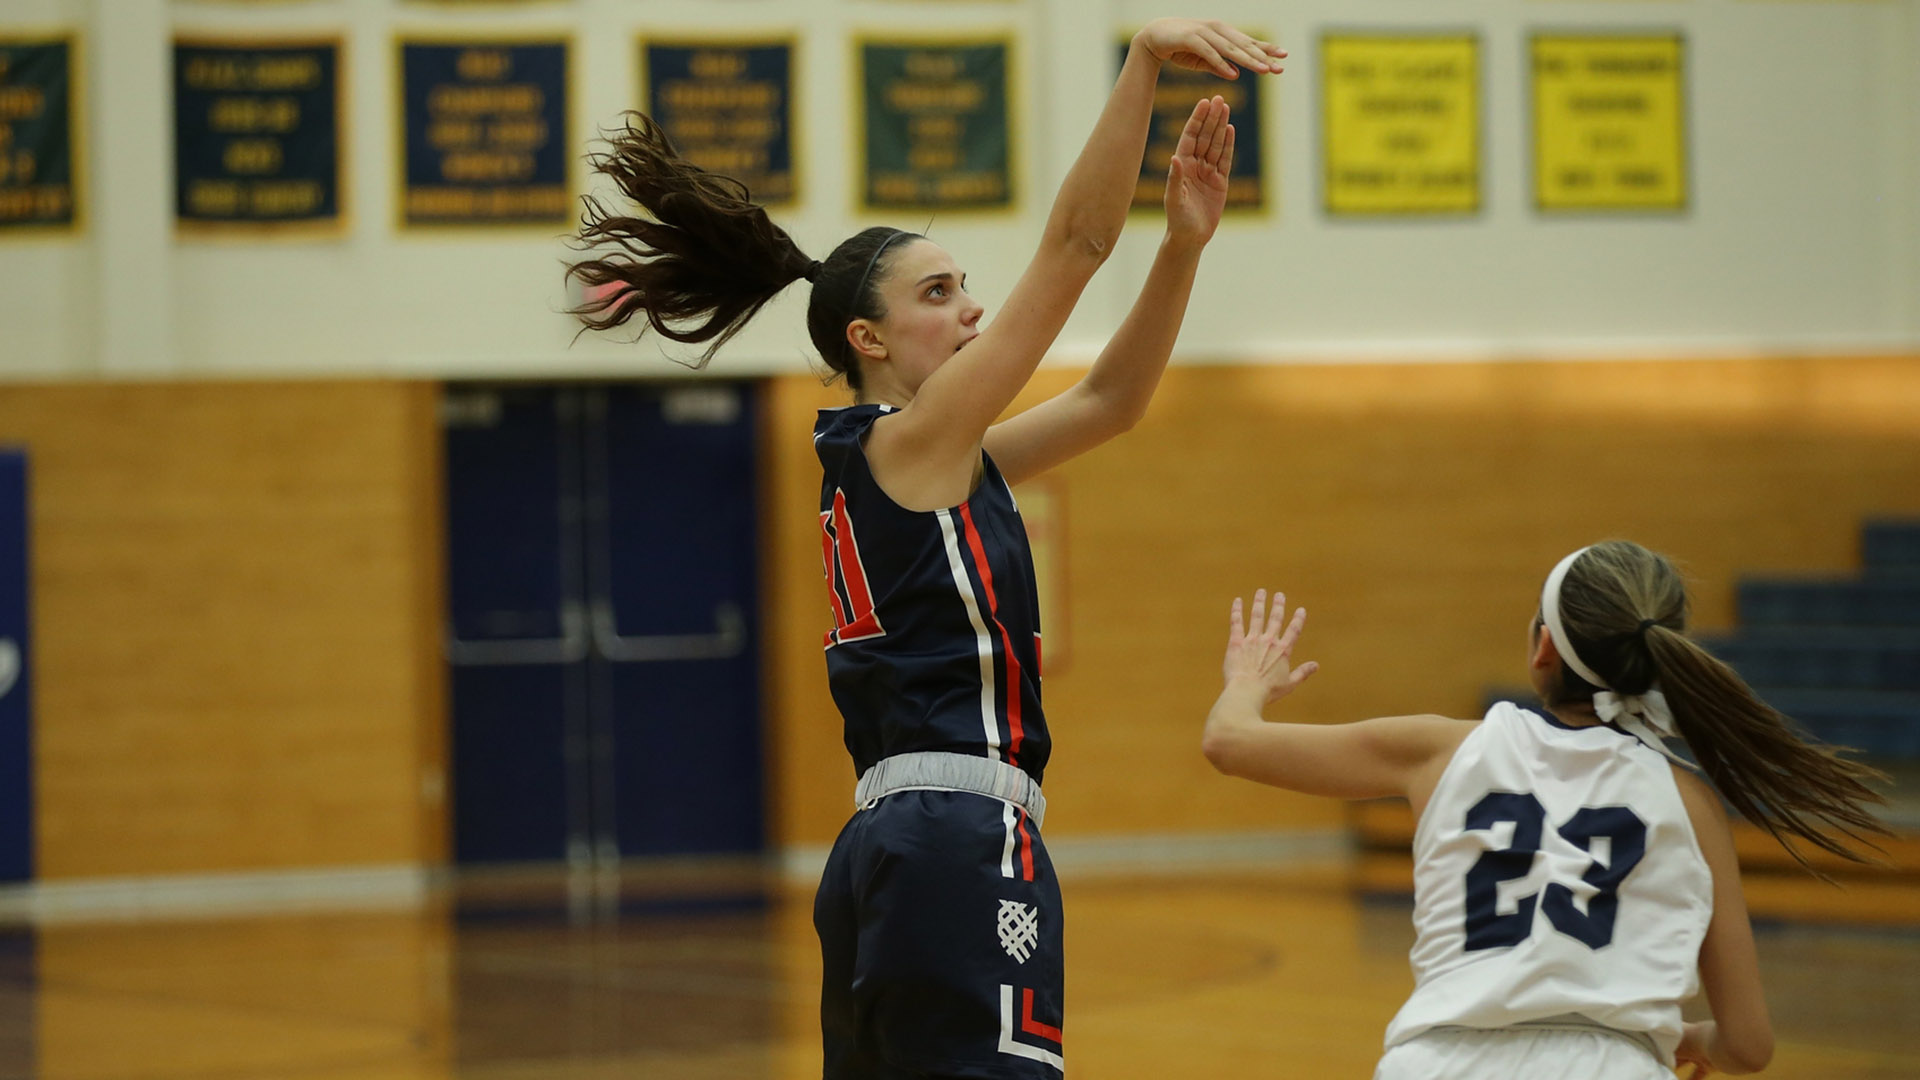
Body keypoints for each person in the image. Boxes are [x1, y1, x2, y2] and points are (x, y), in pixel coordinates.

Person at [563, 18, 1285, 1077]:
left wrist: (1182, 248)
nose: (972, 307)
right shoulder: (912, 445)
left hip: (892, 843)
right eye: (938, 294)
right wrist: (1137, 63)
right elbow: (1076, 250)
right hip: (958, 833)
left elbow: (1114, 401)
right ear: (868, 340)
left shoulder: (923, 458)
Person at [1202, 541, 1890, 1079]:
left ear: (1542, 647)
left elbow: (1230, 744)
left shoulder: (1439, 750)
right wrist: (1684, 1037)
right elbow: (1749, 1044)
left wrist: (1247, 681)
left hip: (1436, 1064)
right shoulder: (1691, 803)